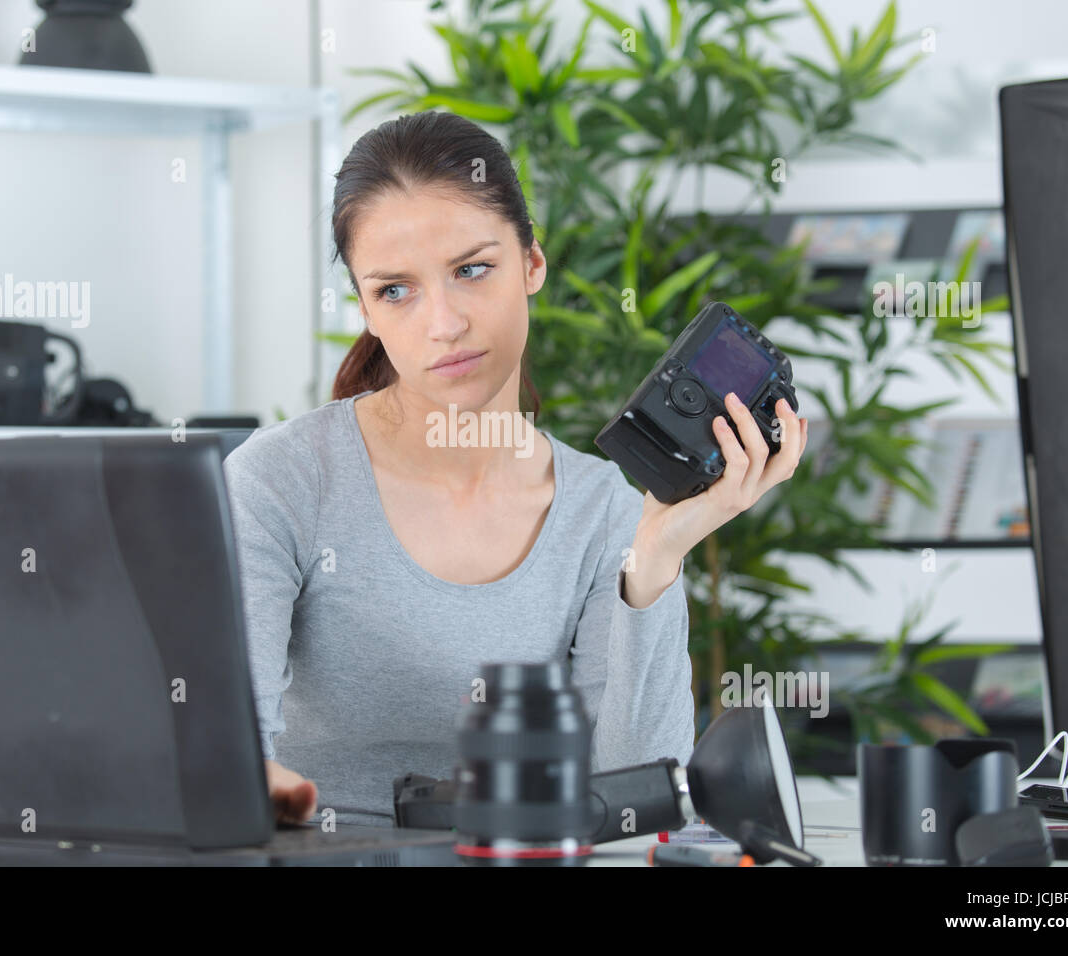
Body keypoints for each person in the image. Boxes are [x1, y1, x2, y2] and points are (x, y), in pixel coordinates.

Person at [223, 110, 808, 827]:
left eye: (472, 270)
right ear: (367, 310)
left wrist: (655, 559)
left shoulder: (604, 510)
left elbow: (636, 801)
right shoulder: (281, 481)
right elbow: (222, 756)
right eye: (395, 290)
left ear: (532, 264)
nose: (443, 323)